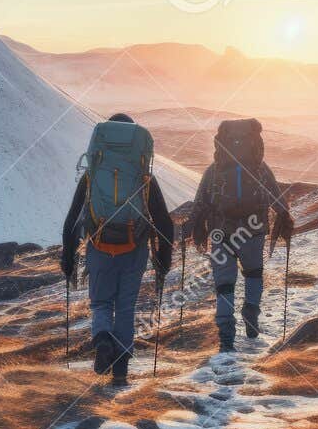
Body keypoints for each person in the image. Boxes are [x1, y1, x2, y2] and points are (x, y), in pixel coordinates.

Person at [60, 114, 173, 386]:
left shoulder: (92, 174)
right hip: (134, 249)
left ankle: (102, 342)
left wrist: (68, 255)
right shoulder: (144, 178)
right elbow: (164, 222)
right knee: (125, 308)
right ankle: (120, 372)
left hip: (99, 247)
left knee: (100, 303)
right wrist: (163, 259)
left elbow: (73, 217)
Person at [188, 119, 293, 353]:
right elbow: (276, 197)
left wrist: (194, 226)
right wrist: (285, 219)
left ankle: (226, 337)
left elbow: (201, 202)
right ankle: (251, 313)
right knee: (254, 275)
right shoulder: (260, 168)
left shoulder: (215, 169)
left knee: (224, 285)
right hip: (253, 233)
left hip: (221, 234)